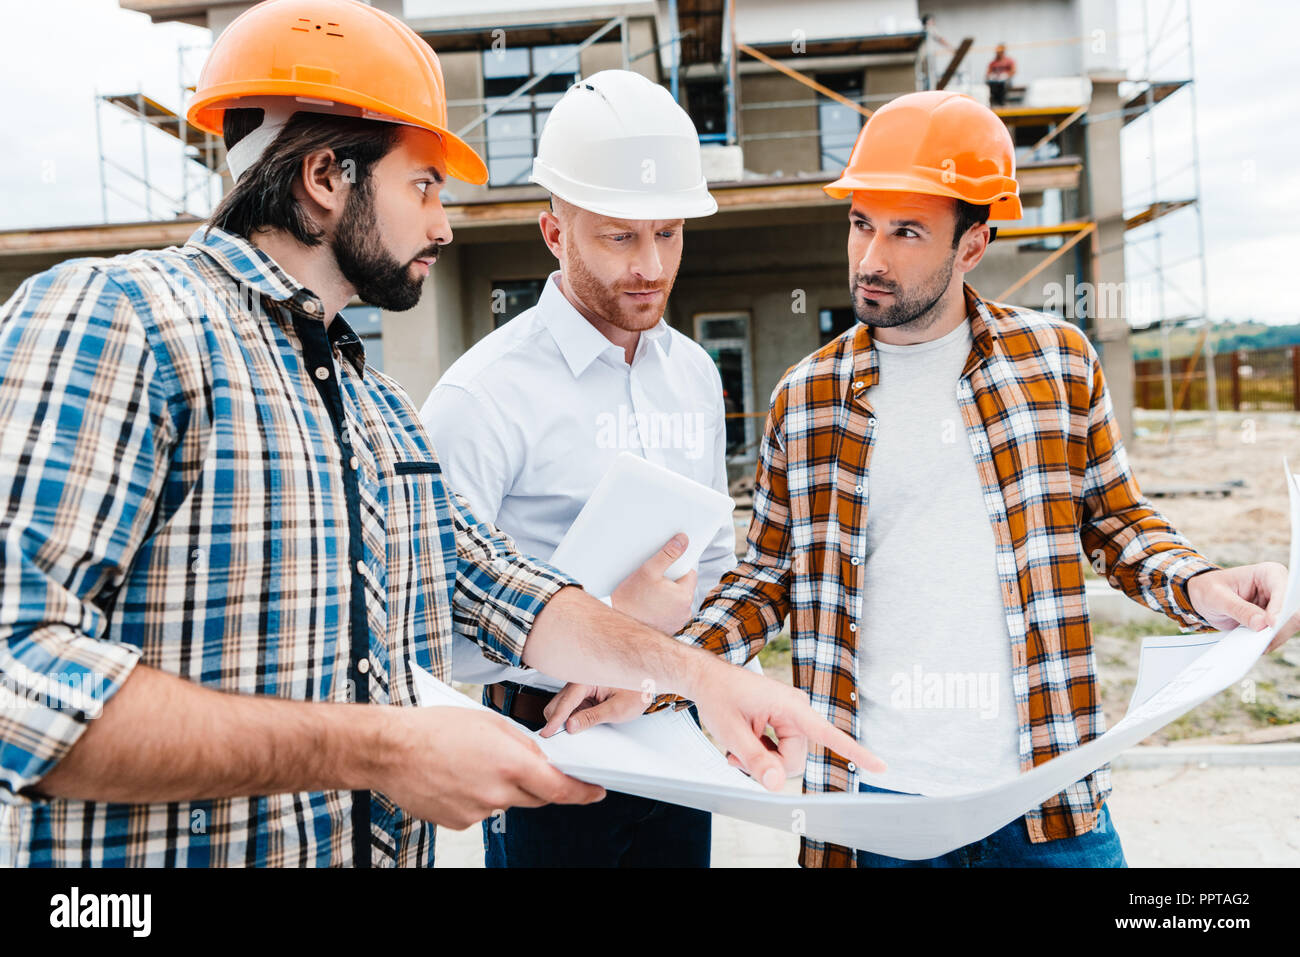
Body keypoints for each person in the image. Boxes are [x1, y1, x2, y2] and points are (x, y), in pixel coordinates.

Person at [0, 0, 881, 867]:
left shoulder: (373, 407)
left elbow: (497, 590)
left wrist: (705, 676)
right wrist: (382, 749)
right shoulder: (119, 318)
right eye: (423, 185)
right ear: (325, 179)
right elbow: (17, 684)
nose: (443, 223)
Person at [549, 90, 1300, 868]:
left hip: (1046, 802)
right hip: (872, 813)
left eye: (906, 231)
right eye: (861, 223)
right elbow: (766, 581)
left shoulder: (1058, 364)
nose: (871, 258)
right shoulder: (805, 400)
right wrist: (652, 674)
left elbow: (1114, 523)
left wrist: (1201, 583)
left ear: (972, 244)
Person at [421, 69, 758, 867]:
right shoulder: (481, 396)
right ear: (554, 232)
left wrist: (659, 677)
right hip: (548, 747)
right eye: (619, 236)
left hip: (671, 737)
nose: (649, 265)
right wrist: (609, 620)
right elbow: (427, 623)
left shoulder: (696, 377)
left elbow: (715, 568)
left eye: (668, 233)